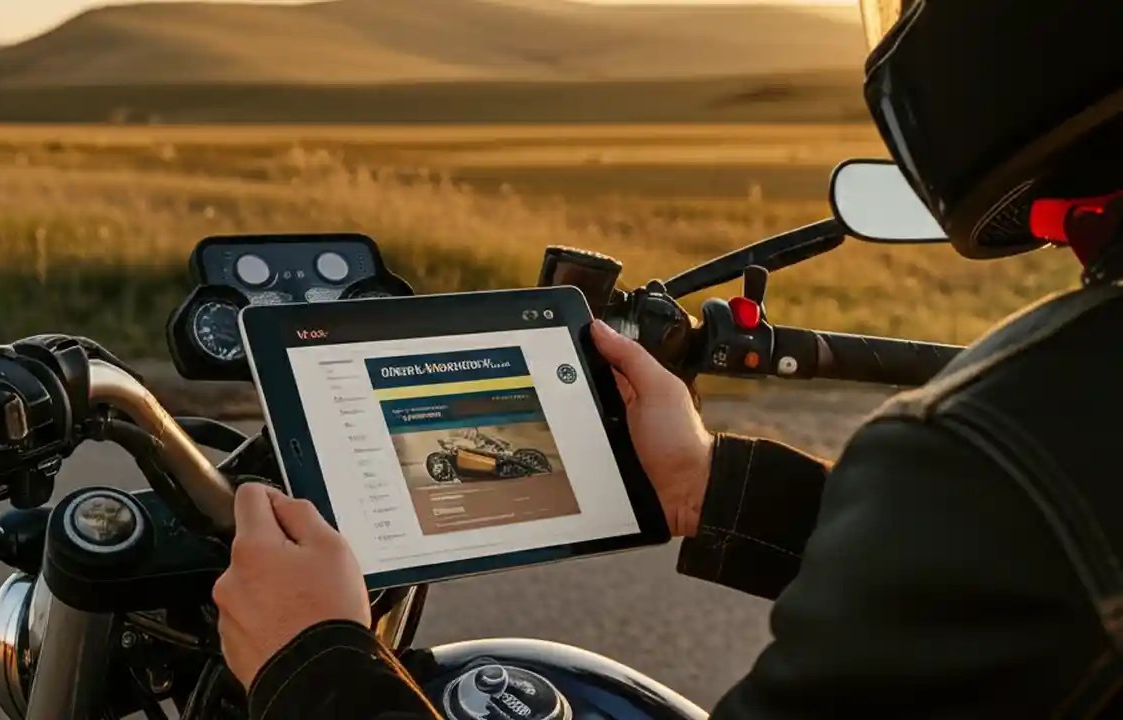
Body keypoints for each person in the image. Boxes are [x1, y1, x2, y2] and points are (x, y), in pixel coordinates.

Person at [213, 0, 1123, 717]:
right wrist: (710, 485)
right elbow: (1005, 586)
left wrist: (314, 662)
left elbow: (1013, 528)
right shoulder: (1023, 477)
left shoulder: (986, 455)